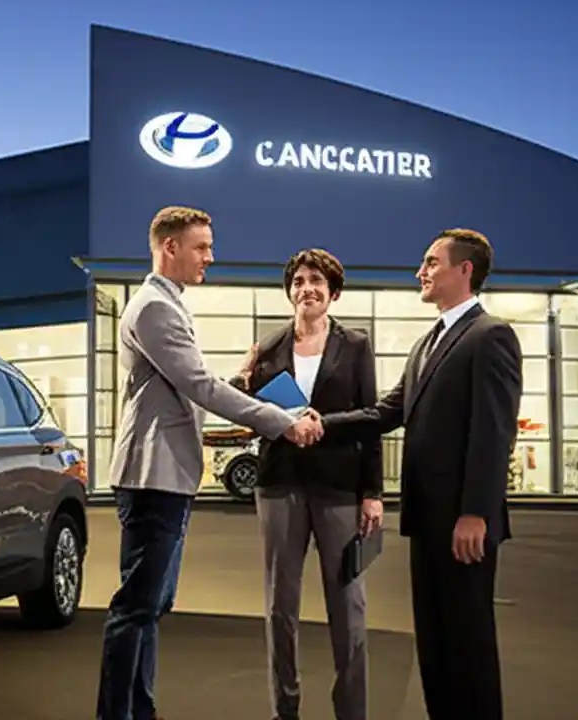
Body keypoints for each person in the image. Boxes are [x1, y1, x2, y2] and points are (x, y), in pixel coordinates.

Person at [95, 205, 324, 720]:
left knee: (150, 608)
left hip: (165, 475)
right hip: (152, 477)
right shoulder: (155, 307)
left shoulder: (166, 304)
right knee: (135, 608)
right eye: (201, 247)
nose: (210, 257)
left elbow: (189, 385)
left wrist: (250, 392)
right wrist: (282, 422)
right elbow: (198, 386)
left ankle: (138, 711)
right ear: (169, 247)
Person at [321, 229, 522, 720]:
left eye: (432, 262)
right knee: (434, 643)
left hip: (463, 524)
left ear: (465, 270)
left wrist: (475, 512)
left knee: (468, 643)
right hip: (428, 521)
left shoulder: (490, 335)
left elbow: (493, 434)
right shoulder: (428, 342)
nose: (421, 272)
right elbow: (385, 412)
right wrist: (312, 423)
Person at [230, 248, 382, 720]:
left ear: (332, 292)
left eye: (316, 281)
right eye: (298, 281)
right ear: (290, 290)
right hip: (280, 485)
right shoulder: (269, 346)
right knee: (280, 607)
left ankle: (352, 711)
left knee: (348, 607)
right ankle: (285, 709)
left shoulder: (356, 346)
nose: (306, 288)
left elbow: (371, 420)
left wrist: (373, 493)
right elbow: (247, 411)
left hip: (340, 487)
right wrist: (241, 377)